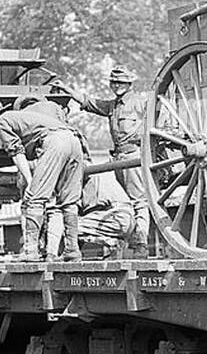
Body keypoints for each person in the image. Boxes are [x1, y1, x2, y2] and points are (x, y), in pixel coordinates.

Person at [0, 96, 85, 261]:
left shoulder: (1, 122)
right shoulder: (24, 116)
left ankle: (30, 251)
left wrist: (30, 182)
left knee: (34, 199)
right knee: (69, 201)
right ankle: (72, 251)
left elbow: (17, 153)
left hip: (54, 143)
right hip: (74, 141)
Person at [55, 66, 150, 256]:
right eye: (114, 83)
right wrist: (68, 91)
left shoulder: (140, 102)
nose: (117, 86)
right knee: (126, 202)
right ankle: (129, 242)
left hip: (133, 157)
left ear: (129, 84)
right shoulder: (113, 106)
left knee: (139, 202)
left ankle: (141, 244)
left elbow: (158, 119)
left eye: (121, 83)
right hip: (118, 158)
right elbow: (91, 103)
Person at [77, 169, 135, 256]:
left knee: (71, 227)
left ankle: (111, 242)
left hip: (115, 216)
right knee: (81, 226)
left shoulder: (90, 178)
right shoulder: (102, 172)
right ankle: (112, 241)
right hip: (127, 218)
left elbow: (86, 209)